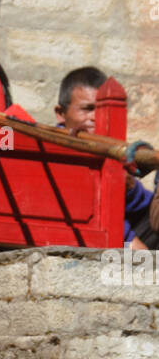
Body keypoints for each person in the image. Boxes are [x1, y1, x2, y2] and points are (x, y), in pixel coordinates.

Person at [56, 66, 157, 249]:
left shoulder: (108, 146)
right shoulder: (59, 151)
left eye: (100, 109)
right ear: (60, 113)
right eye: (87, 109)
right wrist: (139, 251)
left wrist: (129, 186)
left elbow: (142, 205)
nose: (95, 117)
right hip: (91, 233)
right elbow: (99, 217)